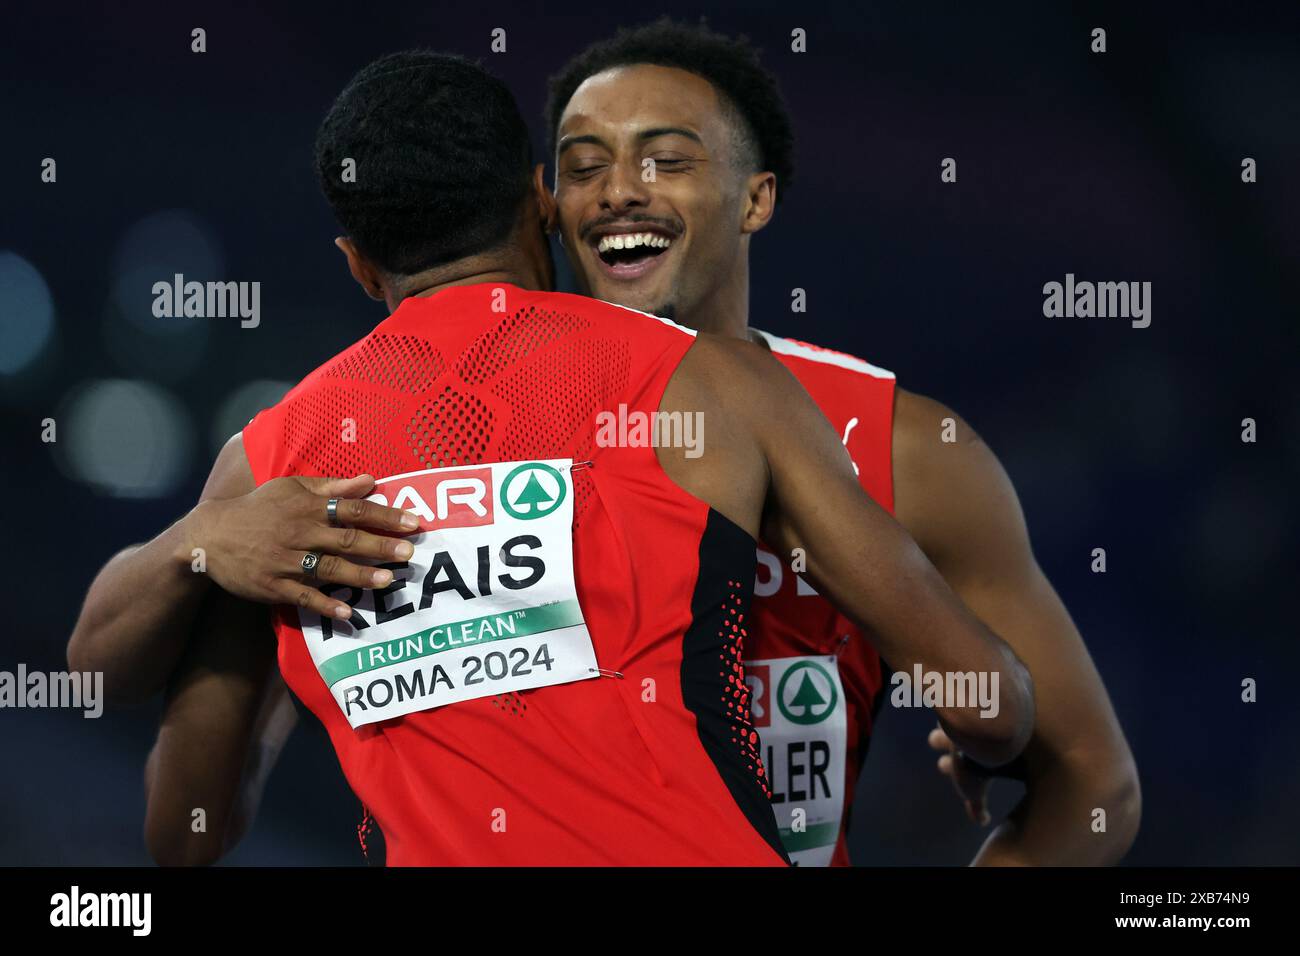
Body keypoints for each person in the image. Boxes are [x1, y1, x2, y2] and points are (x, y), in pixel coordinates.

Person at [68, 51, 1033, 865]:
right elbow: (985, 697)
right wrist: (987, 736)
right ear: (539, 202)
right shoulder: (715, 385)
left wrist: (195, 545)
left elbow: (184, 830)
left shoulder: (271, 473)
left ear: (357, 262)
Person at [543, 19, 1139, 865]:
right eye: (583, 167)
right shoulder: (475, 430)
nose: (617, 192)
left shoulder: (905, 447)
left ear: (756, 199)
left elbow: (1093, 787)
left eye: (667, 160)